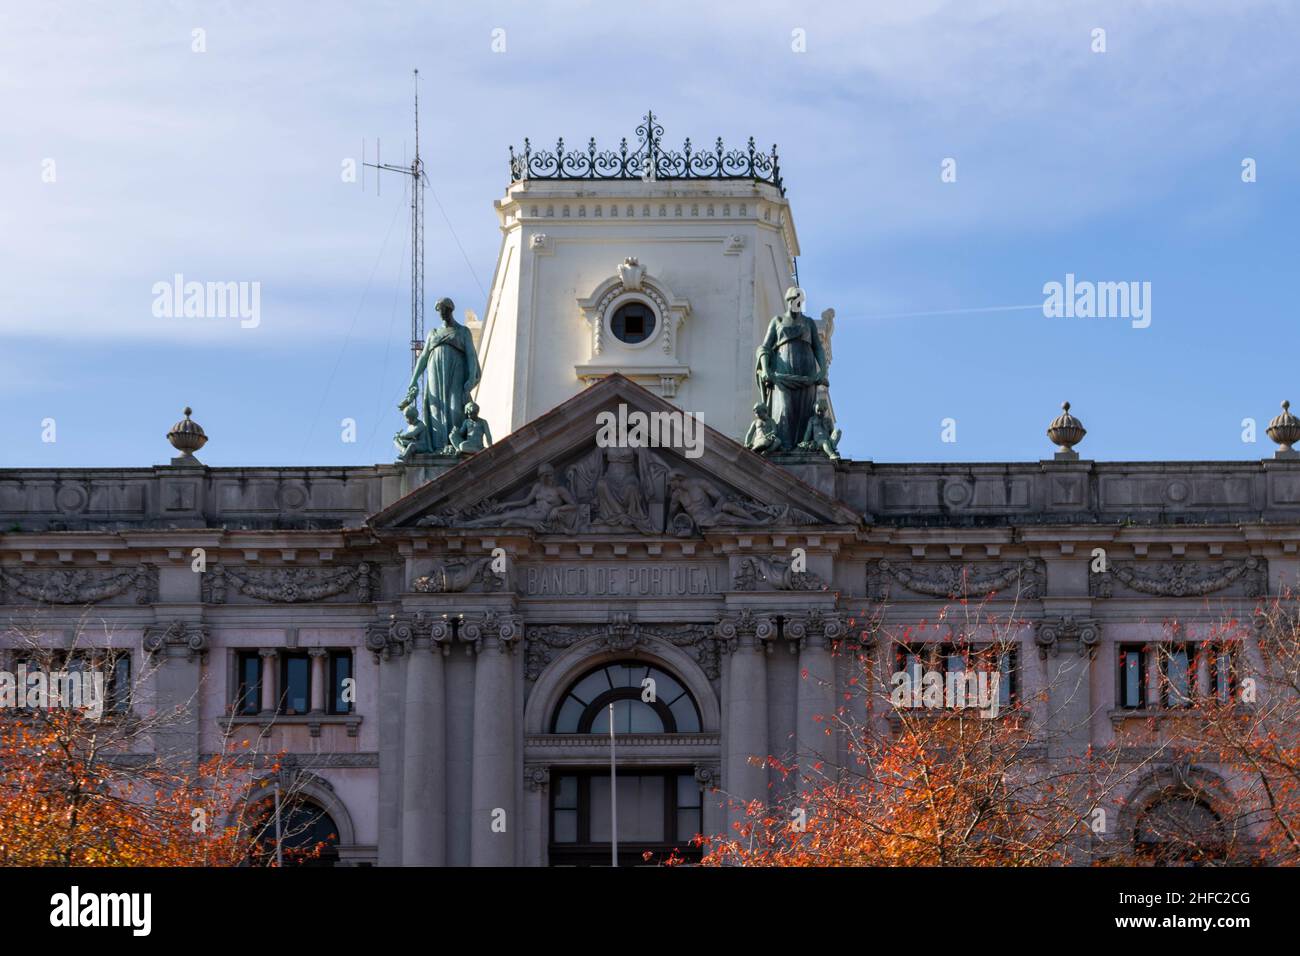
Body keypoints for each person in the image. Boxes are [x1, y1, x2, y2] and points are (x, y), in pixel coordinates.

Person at [400, 297, 481, 450]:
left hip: (455, 370)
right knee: (436, 407)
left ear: (450, 310)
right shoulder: (433, 333)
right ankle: (439, 446)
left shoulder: (463, 331)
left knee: (455, 405)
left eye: (444, 310)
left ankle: (454, 443)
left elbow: (471, 356)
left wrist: (471, 378)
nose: (442, 314)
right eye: (439, 311)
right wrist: (414, 380)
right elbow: (423, 357)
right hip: (434, 371)